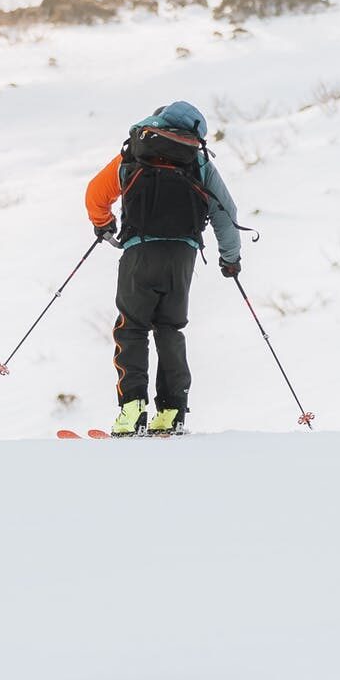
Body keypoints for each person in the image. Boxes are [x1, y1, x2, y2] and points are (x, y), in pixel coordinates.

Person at [85, 100, 243, 435]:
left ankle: (131, 412)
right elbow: (225, 215)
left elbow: (96, 194)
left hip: (139, 252)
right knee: (170, 328)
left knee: (132, 328)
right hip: (181, 256)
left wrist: (103, 224)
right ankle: (171, 412)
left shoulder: (135, 153)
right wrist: (230, 259)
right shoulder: (198, 162)